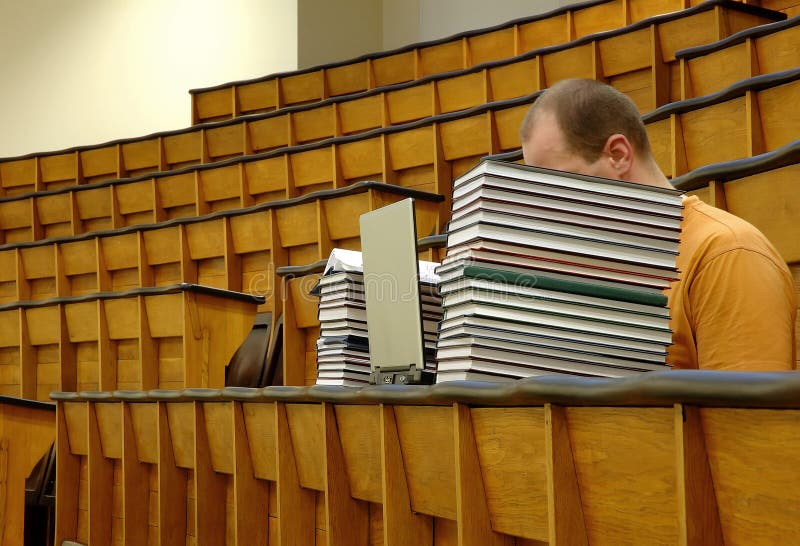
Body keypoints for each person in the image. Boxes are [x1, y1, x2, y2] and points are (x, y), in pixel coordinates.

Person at [519, 78, 797, 371]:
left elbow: (748, 415)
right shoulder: (591, 268)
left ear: (618, 155)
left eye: (559, 185)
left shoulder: (727, 253)